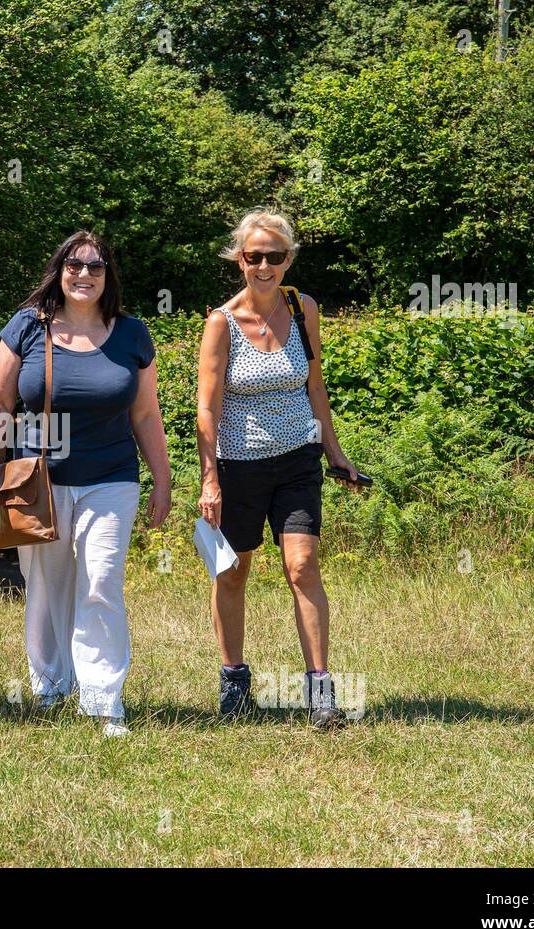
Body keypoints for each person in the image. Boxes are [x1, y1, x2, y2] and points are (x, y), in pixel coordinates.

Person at [0, 230, 171, 737]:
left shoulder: (132, 334)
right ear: (59, 271)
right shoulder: (27, 328)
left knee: (101, 581)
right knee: (47, 586)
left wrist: (162, 481)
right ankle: (51, 684)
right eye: (74, 265)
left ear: (108, 276)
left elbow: (145, 414)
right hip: (38, 478)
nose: (84, 274)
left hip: (111, 478)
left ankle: (103, 701)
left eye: (95, 266)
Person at [195, 208, 361, 730]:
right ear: (239, 260)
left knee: (302, 567)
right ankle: (234, 684)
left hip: (297, 462)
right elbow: (207, 405)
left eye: (274, 256)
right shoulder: (221, 322)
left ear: (287, 260)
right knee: (232, 573)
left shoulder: (304, 307)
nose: (263, 265)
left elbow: (315, 386)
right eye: (253, 256)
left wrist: (335, 453)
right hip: (239, 465)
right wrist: (209, 477)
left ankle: (321, 694)